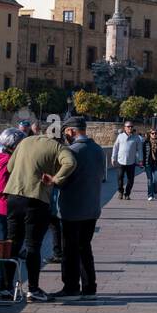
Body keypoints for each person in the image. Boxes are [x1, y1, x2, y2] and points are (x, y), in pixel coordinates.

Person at [5, 129, 77, 302]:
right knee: (32, 245)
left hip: (13, 197)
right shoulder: (58, 148)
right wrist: (55, 179)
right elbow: (71, 163)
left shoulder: (25, 141)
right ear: (61, 137)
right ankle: (33, 290)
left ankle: (5, 288)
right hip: (36, 199)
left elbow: (9, 167)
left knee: (12, 243)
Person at [53, 116, 105, 300]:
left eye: (66, 132)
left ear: (71, 131)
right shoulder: (98, 150)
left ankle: (71, 286)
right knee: (85, 247)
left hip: (72, 209)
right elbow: (102, 177)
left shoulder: (71, 152)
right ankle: (90, 286)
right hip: (92, 208)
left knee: (69, 249)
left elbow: (60, 180)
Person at [0, 127, 24, 299]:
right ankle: (3, 285)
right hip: (6, 209)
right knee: (9, 248)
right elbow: (3, 188)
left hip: (3, 209)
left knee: (9, 247)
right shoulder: (5, 162)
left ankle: (3, 284)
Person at [111, 120, 143, 199]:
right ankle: (121, 192)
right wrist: (113, 157)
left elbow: (140, 149)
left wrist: (140, 160)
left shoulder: (136, 138)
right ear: (124, 128)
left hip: (131, 162)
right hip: (120, 161)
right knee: (120, 178)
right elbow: (115, 147)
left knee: (130, 180)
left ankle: (127, 193)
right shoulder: (120, 136)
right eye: (128, 126)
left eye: (131, 126)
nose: (130, 128)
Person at [143, 128, 157, 201]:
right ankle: (150, 195)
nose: (154, 134)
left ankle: (155, 191)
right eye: (152, 133)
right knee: (150, 180)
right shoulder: (146, 142)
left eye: (155, 133)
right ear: (150, 134)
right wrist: (142, 162)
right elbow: (143, 153)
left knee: (156, 180)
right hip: (148, 163)